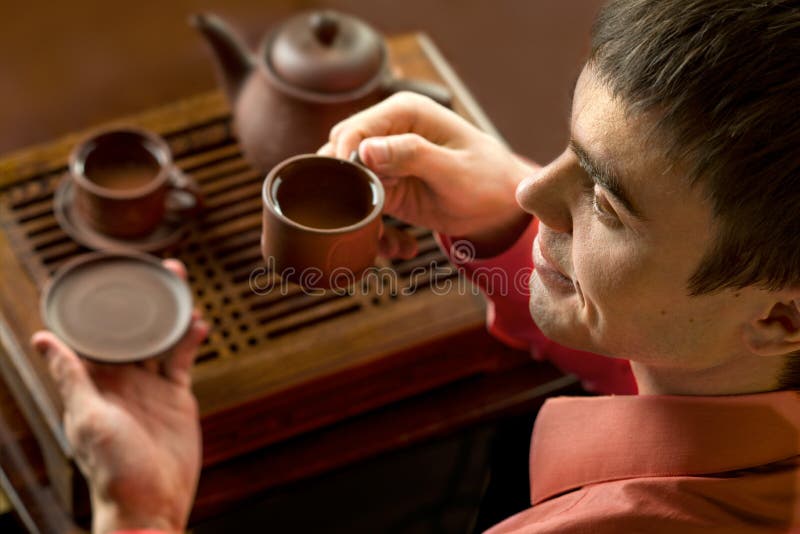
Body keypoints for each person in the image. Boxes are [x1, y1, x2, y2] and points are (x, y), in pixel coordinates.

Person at [31, 0, 800, 532]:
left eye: (609, 203)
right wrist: (501, 227)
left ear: (779, 316)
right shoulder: (742, 349)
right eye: (571, 150)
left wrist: (143, 513)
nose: (531, 185)